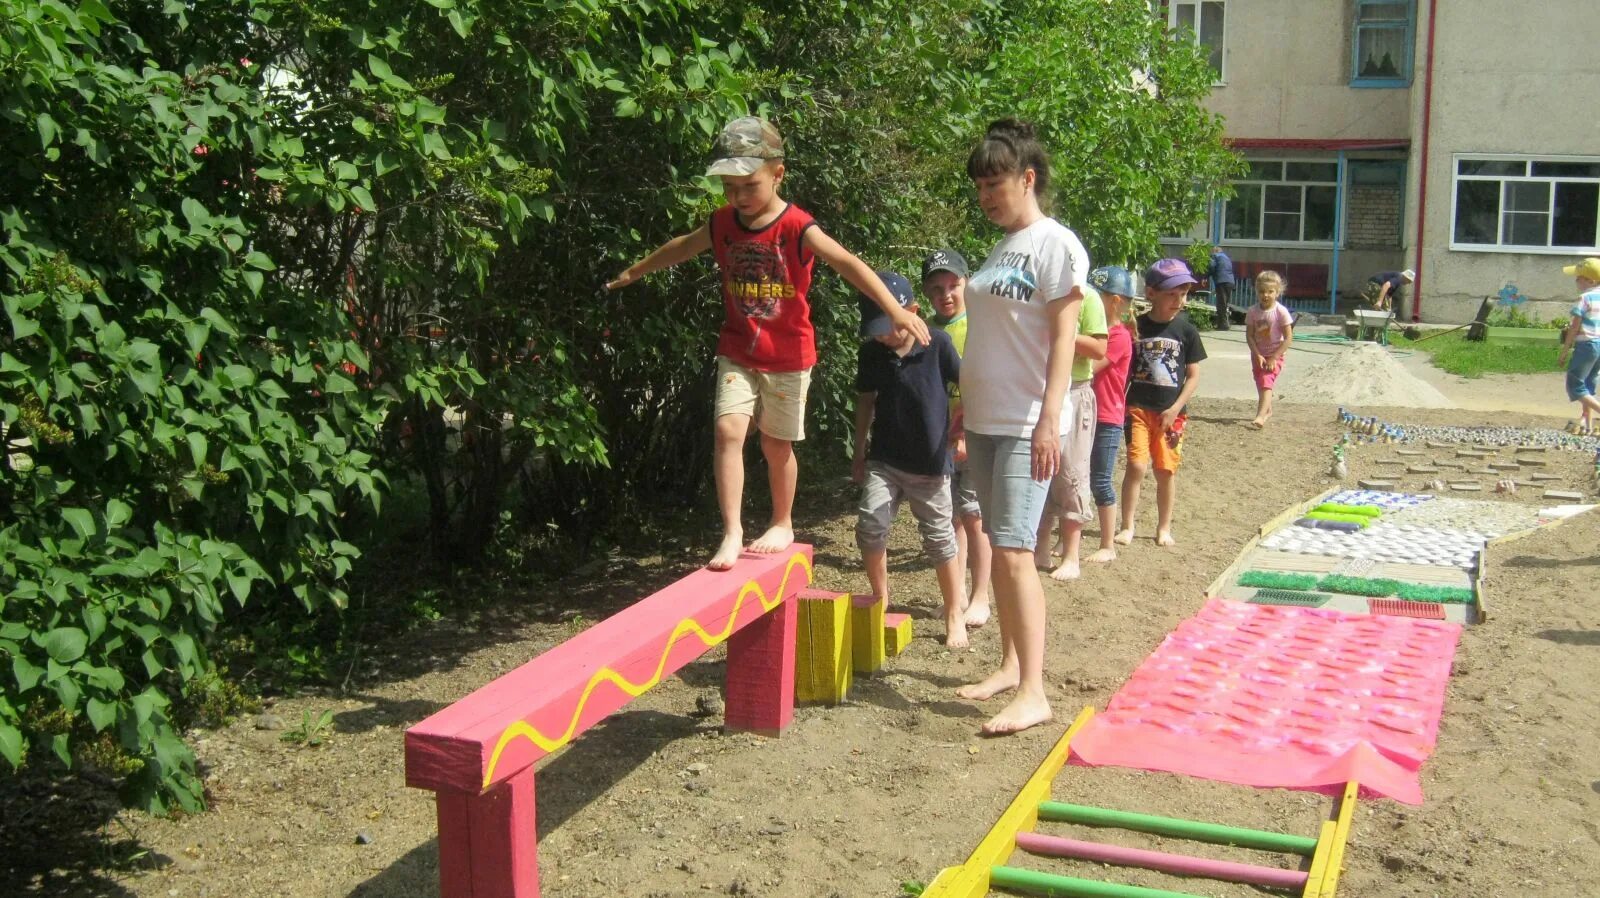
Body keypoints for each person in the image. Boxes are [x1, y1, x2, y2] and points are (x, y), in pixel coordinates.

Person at [607, 117, 930, 571]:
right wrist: (637, 270)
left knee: (776, 447)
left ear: (777, 173)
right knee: (728, 431)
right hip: (738, 348)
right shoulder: (722, 224)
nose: (738, 196)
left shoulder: (797, 227)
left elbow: (848, 263)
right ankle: (733, 531)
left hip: (788, 357)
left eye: (748, 185)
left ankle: (782, 521)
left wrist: (894, 309)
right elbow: (682, 246)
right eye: (729, 186)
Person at [952, 119, 1086, 736]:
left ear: (1027, 178)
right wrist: (964, 401)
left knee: (1012, 550)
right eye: (979, 185)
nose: (985, 196)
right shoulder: (1003, 246)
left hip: (1026, 420)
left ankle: (1034, 691)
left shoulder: (1056, 244)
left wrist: (1049, 421)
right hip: (984, 418)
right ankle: (1010, 665)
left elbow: (1063, 340)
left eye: (995, 183)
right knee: (1005, 552)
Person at [852, 272, 967, 647]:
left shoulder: (938, 345)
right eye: (875, 329)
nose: (881, 335)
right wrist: (858, 452)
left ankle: (953, 613)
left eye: (887, 326)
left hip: (930, 463)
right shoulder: (872, 354)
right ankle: (880, 597)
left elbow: (970, 385)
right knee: (870, 525)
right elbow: (866, 402)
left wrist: (962, 431)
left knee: (938, 539)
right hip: (884, 459)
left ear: (912, 311)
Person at [922, 249, 992, 628]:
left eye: (953, 285)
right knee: (951, 518)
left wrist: (965, 429)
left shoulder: (979, 325)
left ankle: (981, 595)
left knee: (974, 513)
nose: (946, 294)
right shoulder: (926, 330)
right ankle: (958, 594)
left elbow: (982, 381)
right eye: (936, 288)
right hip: (939, 439)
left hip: (973, 432)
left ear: (967, 284)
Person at [1115, 258, 1206, 549]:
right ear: (1151, 293)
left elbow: (1193, 376)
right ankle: (1127, 525)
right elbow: (1124, 366)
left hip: (1172, 413)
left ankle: (1163, 527)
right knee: (1136, 466)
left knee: (1165, 471)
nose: (1179, 300)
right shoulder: (1136, 327)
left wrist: (1176, 408)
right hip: (1138, 409)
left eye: (1183, 294)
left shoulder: (1186, 331)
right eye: (1171, 293)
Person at [1035, 287, 1108, 580]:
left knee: (1071, 473)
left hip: (1075, 391)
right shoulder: (1038, 295)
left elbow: (1099, 349)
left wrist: (1061, 333)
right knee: (1040, 470)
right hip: (1039, 388)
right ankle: (1040, 546)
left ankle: (1071, 555)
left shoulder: (1087, 297)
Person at [1084, 266, 1136, 565]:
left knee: (1100, 480)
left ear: (1114, 301)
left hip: (1106, 417)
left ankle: (1107, 544)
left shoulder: (1118, 337)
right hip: (1088, 413)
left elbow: (1090, 369)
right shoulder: (1096, 332)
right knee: (1075, 478)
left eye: (1095, 295)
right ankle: (1068, 539)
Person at [1244, 270, 1294, 430]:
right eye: (1262, 291)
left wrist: (1274, 357)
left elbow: (1288, 338)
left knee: (1266, 382)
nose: (1266, 295)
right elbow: (1250, 336)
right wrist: (1257, 354)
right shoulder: (1252, 311)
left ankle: (1260, 416)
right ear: (1256, 291)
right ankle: (1268, 409)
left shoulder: (1281, 312)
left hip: (1275, 354)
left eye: (1270, 291)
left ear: (1277, 292)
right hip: (1258, 354)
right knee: (1260, 382)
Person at [1557, 257, 1600, 433]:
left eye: (1579, 277)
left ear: (1591, 280)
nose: (1576, 281)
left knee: (1575, 384)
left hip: (1587, 344)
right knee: (1588, 383)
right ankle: (1588, 425)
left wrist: (1564, 351)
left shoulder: (1584, 298)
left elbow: (1574, 328)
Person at [1208, 246, 1234, 331]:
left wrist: (1206, 276)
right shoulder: (1227, 258)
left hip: (1221, 281)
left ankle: (1222, 325)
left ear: (1215, 251)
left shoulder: (1215, 256)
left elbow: (1211, 266)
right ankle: (1225, 323)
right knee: (1225, 303)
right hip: (1230, 281)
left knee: (1220, 304)